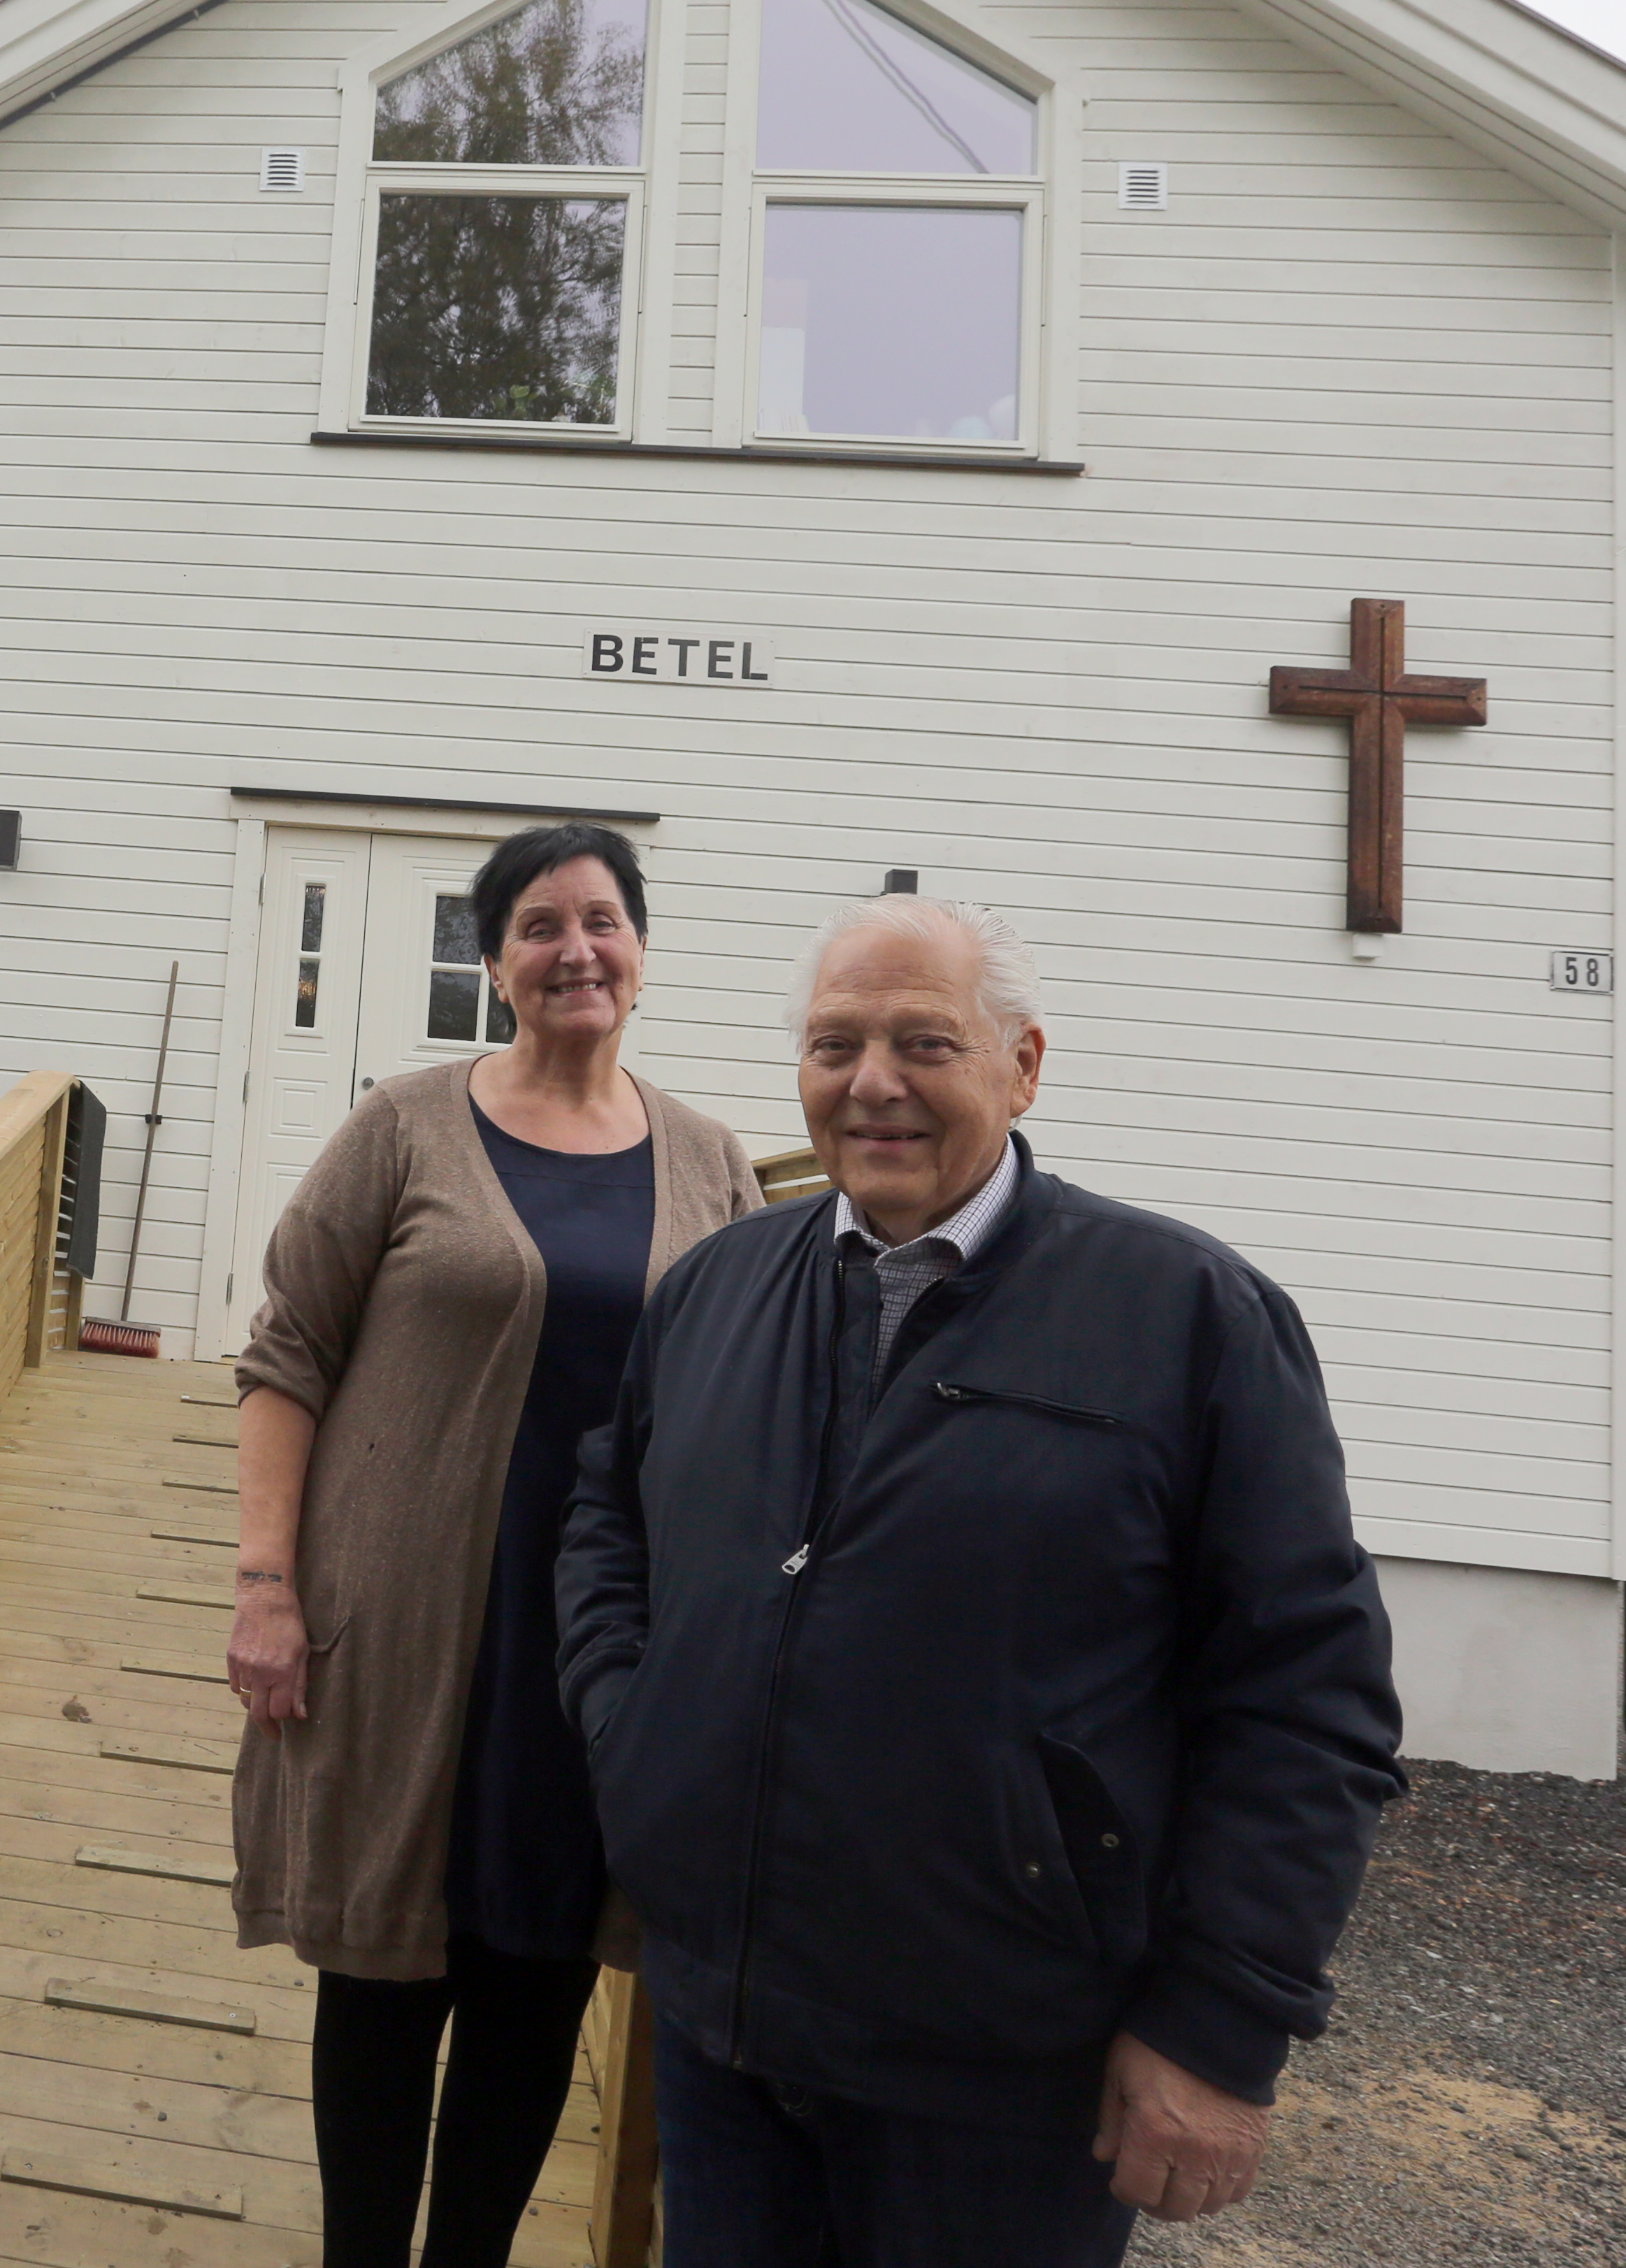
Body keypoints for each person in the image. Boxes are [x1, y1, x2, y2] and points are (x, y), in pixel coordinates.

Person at [556, 893, 1402, 2267]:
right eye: (834, 1045)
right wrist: (627, 1724)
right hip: (724, 2036)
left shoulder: (1187, 1318)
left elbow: (1306, 1697)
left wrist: (1219, 2027)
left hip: (1004, 2082)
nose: (871, 1084)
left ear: (1022, 1065)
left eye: (924, 1044)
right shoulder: (714, 1289)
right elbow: (610, 1519)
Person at [226, 821, 762, 2268]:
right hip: (403, 1628)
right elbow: (285, 1360)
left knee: (536, 1978)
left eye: (600, 919)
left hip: (591, 1649)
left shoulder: (714, 1167)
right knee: (388, 1975)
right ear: (495, 964)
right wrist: (265, 1587)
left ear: (639, 953)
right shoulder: (403, 1127)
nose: (574, 948)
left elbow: (751, 1402)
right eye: (537, 926)